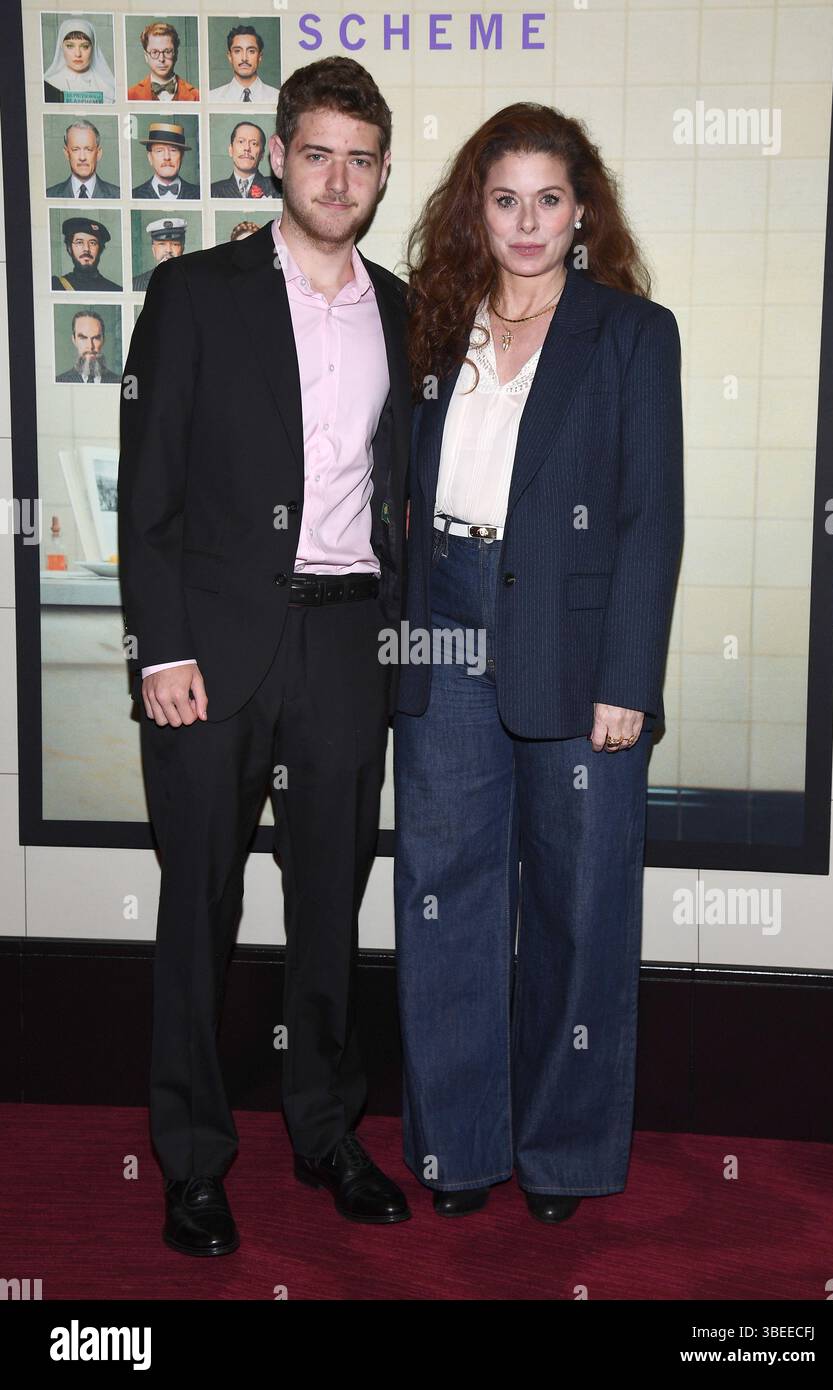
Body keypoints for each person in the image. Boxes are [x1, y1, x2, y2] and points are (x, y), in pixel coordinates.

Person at [117, 56, 412, 1257]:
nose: (338, 177)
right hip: (211, 652)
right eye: (318, 152)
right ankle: (191, 1157)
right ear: (278, 154)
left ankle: (325, 1128)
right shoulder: (193, 293)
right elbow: (148, 493)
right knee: (199, 909)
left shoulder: (401, 307)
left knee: (330, 908)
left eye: (361, 158)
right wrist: (160, 648)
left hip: (345, 642)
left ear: (382, 175)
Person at [393, 102, 684, 1224]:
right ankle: (459, 1147)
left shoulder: (630, 333)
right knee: (444, 895)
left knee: (580, 898)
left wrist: (630, 679)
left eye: (547, 199)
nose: (524, 221)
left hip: (574, 635)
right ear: (479, 206)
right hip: (446, 620)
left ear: (581, 212)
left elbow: (648, 518)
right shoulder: (432, 320)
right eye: (502, 197)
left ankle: (562, 1155)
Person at [43, 16, 116, 104]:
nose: (78, 54)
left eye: (85, 46)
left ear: (93, 48)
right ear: (61, 48)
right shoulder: (49, 84)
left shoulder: (108, 88)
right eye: (70, 46)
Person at [46, 121, 120, 199]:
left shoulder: (118, 195)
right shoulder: (49, 195)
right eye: (75, 149)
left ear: (98, 153)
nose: (82, 158)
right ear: (67, 153)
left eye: (88, 149)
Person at [127, 22, 199, 101]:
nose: (161, 59)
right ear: (146, 56)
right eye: (155, 52)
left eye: (167, 51)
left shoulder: (196, 95)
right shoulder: (130, 96)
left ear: (176, 54)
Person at [209, 25, 280, 103]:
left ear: (259, 57)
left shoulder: (277, 97)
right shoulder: (212, 98)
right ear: (230, 56)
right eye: (237, 51)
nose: (244, 58)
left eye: (251, 51)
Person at [131, 123, 200, 200]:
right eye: (159, 151)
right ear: (150, 157)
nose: (167, 157)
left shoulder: (200, 195)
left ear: (182, 156)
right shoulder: (133, 196)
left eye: (173, 150)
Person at [51, 217, 121, 291]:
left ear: (100, 249)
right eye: (79, 242)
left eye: (92, 243)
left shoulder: (115, 290)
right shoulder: (56, 286)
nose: (86, 249)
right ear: (69, 248)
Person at [210, 122, 274, 198]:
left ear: (262, 154)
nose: (247, 148)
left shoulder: (275, 188)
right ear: (231, 150)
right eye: (241, 141)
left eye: (254, 143)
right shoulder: (213, 191)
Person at [56, 309, 121, 383]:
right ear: (74, 340)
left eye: (96, 338)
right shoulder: (60, 381)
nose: (90, 346)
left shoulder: (119, 381)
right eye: (83, 338)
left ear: (103, 340)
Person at [132, 218, 187, 291]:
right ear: (153, 249)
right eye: (162, 244)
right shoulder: (135, 284)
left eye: (175, 244)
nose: (168, 250)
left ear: (182, 248)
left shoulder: (195, 282)